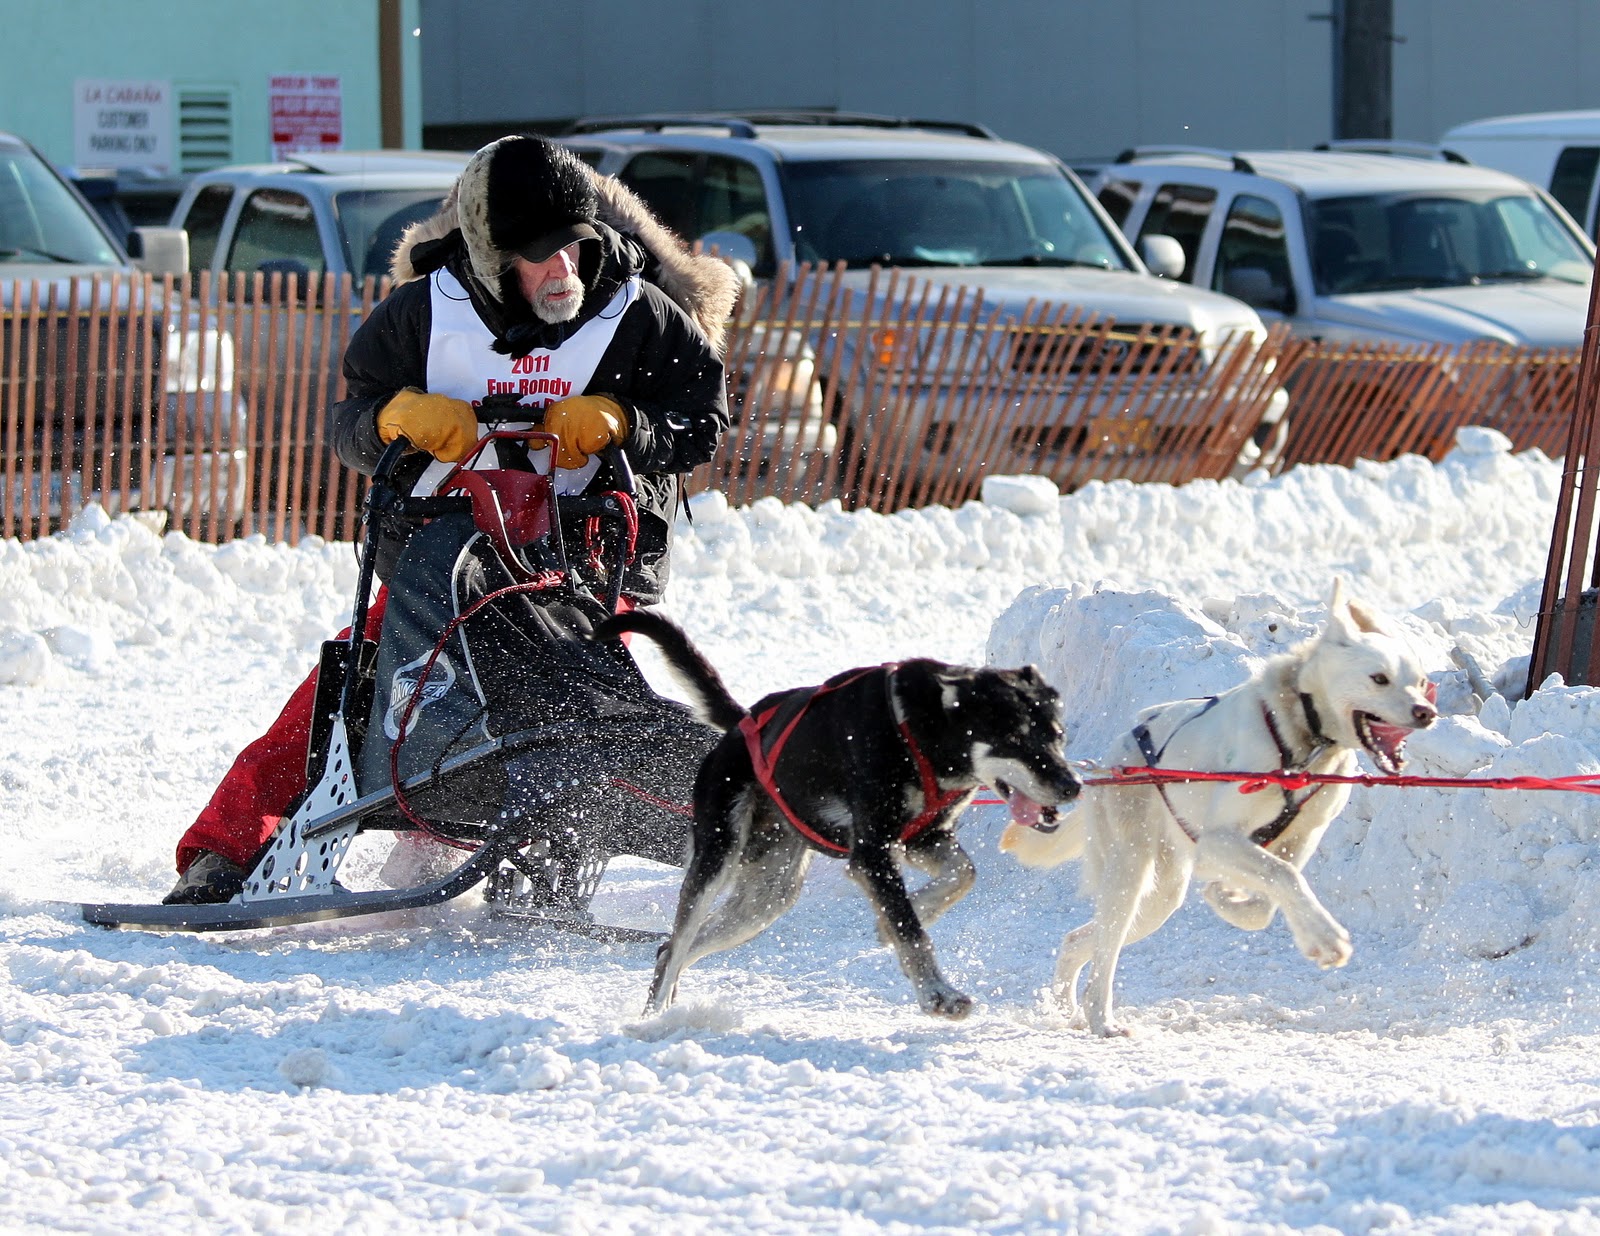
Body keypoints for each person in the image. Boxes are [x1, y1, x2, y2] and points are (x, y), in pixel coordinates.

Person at [165, 134, 739, 904]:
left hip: (585, 564)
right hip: (439, 557)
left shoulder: (639, 315)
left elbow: (702, 422)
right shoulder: (417, 318)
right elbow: (351, 424)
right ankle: (223, 855)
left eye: (573, 247)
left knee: (577, 697)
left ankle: (732, 816)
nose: (563, 268)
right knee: (348, 691)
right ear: (493, 257)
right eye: (539, 256)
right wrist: (394, 419)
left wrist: (623, 422)